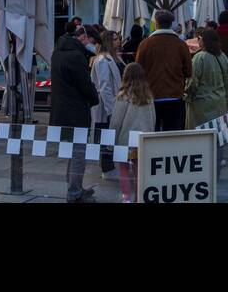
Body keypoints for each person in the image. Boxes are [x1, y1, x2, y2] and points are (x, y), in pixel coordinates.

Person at [51, 25, 100, 203]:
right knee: (78, 153)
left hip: (60, 112)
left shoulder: (57, 52)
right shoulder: (76, 56)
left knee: (72, 152)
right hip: (76, 112)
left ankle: (75, 187)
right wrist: (96, 98)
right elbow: (85, 85)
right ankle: (74, 193)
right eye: (92, 42)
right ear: (83, 38)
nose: (93, 46)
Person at [135, 10, 193, 131]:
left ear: (156, 23)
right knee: (172, 136)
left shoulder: (145, 45)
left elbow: (137, 71)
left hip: (151, 97)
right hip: (175, 97)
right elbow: (189, 72)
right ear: (171, 24)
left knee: (152, 134)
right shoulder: (180, 44)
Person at [109, 63, 154, 203]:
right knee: (138, 170)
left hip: (125, 140)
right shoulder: (149, 97)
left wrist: (111, 140)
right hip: (142, 140)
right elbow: (153, 118)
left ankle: (126, 198)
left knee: (123, 168)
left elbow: (116, 121)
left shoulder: (123, 96)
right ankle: (139, 198)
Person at [90, 29, 122, 176]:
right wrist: (111, 110)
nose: (118, 41)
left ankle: (108, 166)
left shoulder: (114, 58)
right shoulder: (102, 61)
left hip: (113, 104)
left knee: (108, 135)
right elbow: (104, 87)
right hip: (105, 106)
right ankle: (107, 169)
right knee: (105, 135)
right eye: (115, 39)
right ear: (109, 41)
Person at [188, 28, 228, 127]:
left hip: (202, 105)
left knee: (204, 137)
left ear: (204, 41)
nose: (198, 40)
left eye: (199, 38)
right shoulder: (223, 56)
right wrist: (226, 98)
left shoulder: (199, 57)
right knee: (218, 135)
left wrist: (187, 95)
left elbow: (192, 82)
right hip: (220, 103)